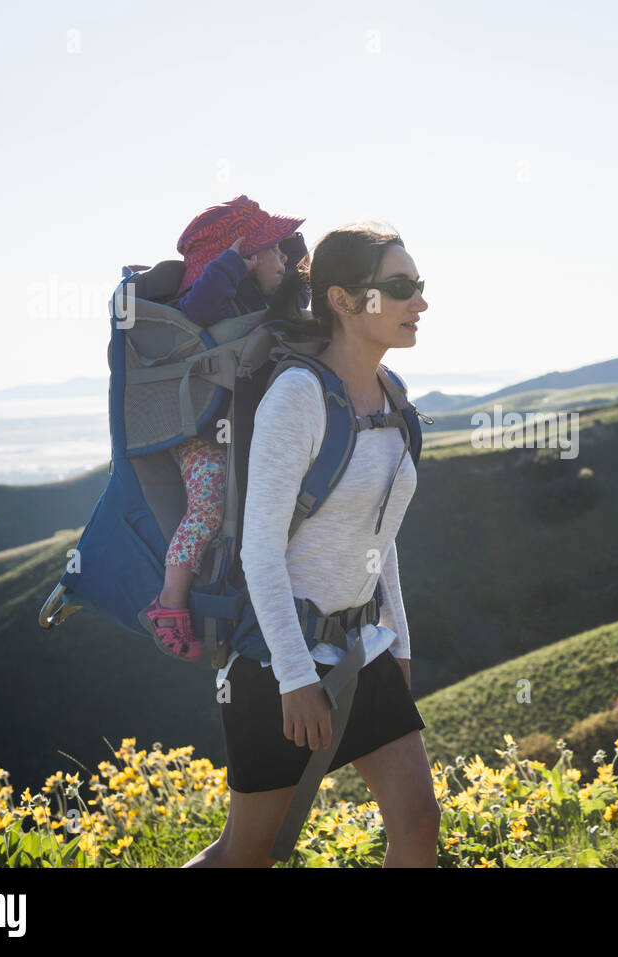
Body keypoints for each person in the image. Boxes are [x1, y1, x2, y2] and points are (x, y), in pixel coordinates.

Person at [184, 220, 439, 867]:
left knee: (418, 820)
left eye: (420, 285)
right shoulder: (297, 397)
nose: (420, 302)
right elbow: (260, 550)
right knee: (247, 853)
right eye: (400, 287)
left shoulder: (394, 399)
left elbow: (382, 535)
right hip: (279, 658)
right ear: (343, 301)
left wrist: (399, 641)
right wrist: (296, 675)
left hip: (362, 647)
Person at [142, 195, 306, 661]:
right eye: (273, 250)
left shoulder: (259, 297)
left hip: (238, 428)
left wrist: (293, 262)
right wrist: (231, 264)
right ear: (246, 260)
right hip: (200, 434)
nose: (283, 258)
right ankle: (169, 604)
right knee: (208, 507)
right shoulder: (217, 298)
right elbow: (199, 310)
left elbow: (296, 297)